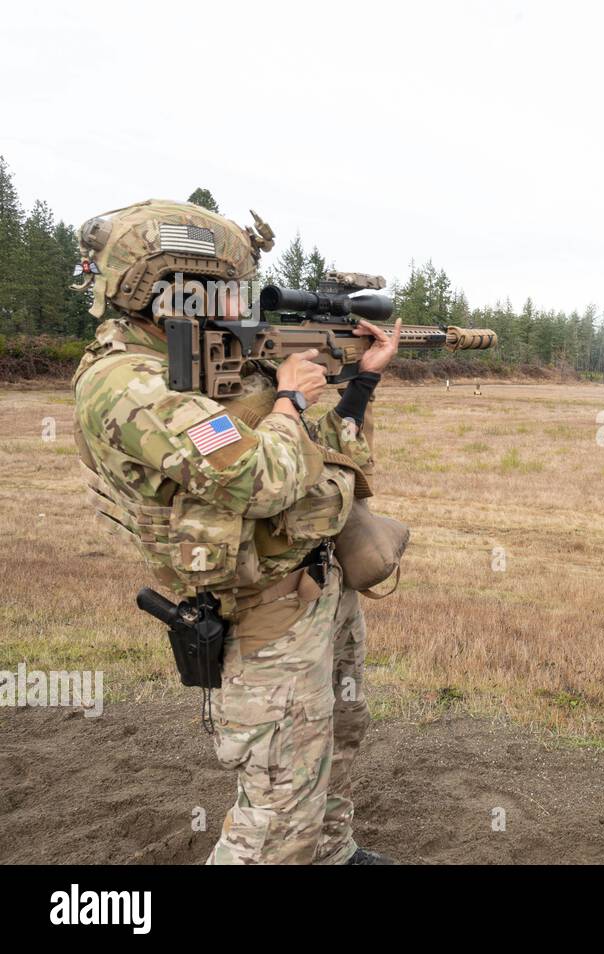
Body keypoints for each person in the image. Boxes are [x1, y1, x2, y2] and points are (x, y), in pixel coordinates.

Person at [71, 199, 400, 864]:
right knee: (278, 808)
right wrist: (291, 396)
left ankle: (331, 854)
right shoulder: (128, 385)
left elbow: (322, 452)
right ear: (168, 290)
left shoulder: (213, 357)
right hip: (259, 610)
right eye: (223, 288)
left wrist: (356, 386)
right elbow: (264, 476)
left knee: (335, 741)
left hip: (312, 580)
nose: (237, 302)